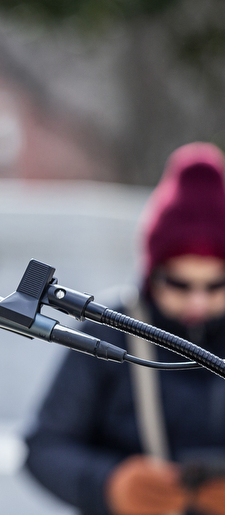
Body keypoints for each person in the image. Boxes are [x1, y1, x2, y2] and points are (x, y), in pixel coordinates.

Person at [25, 142, 225, 515]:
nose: (198, 302)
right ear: (152, 272)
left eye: (215, 285)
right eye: (180, 284)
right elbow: (43, 447)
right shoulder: (107, 329)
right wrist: (110, 485)